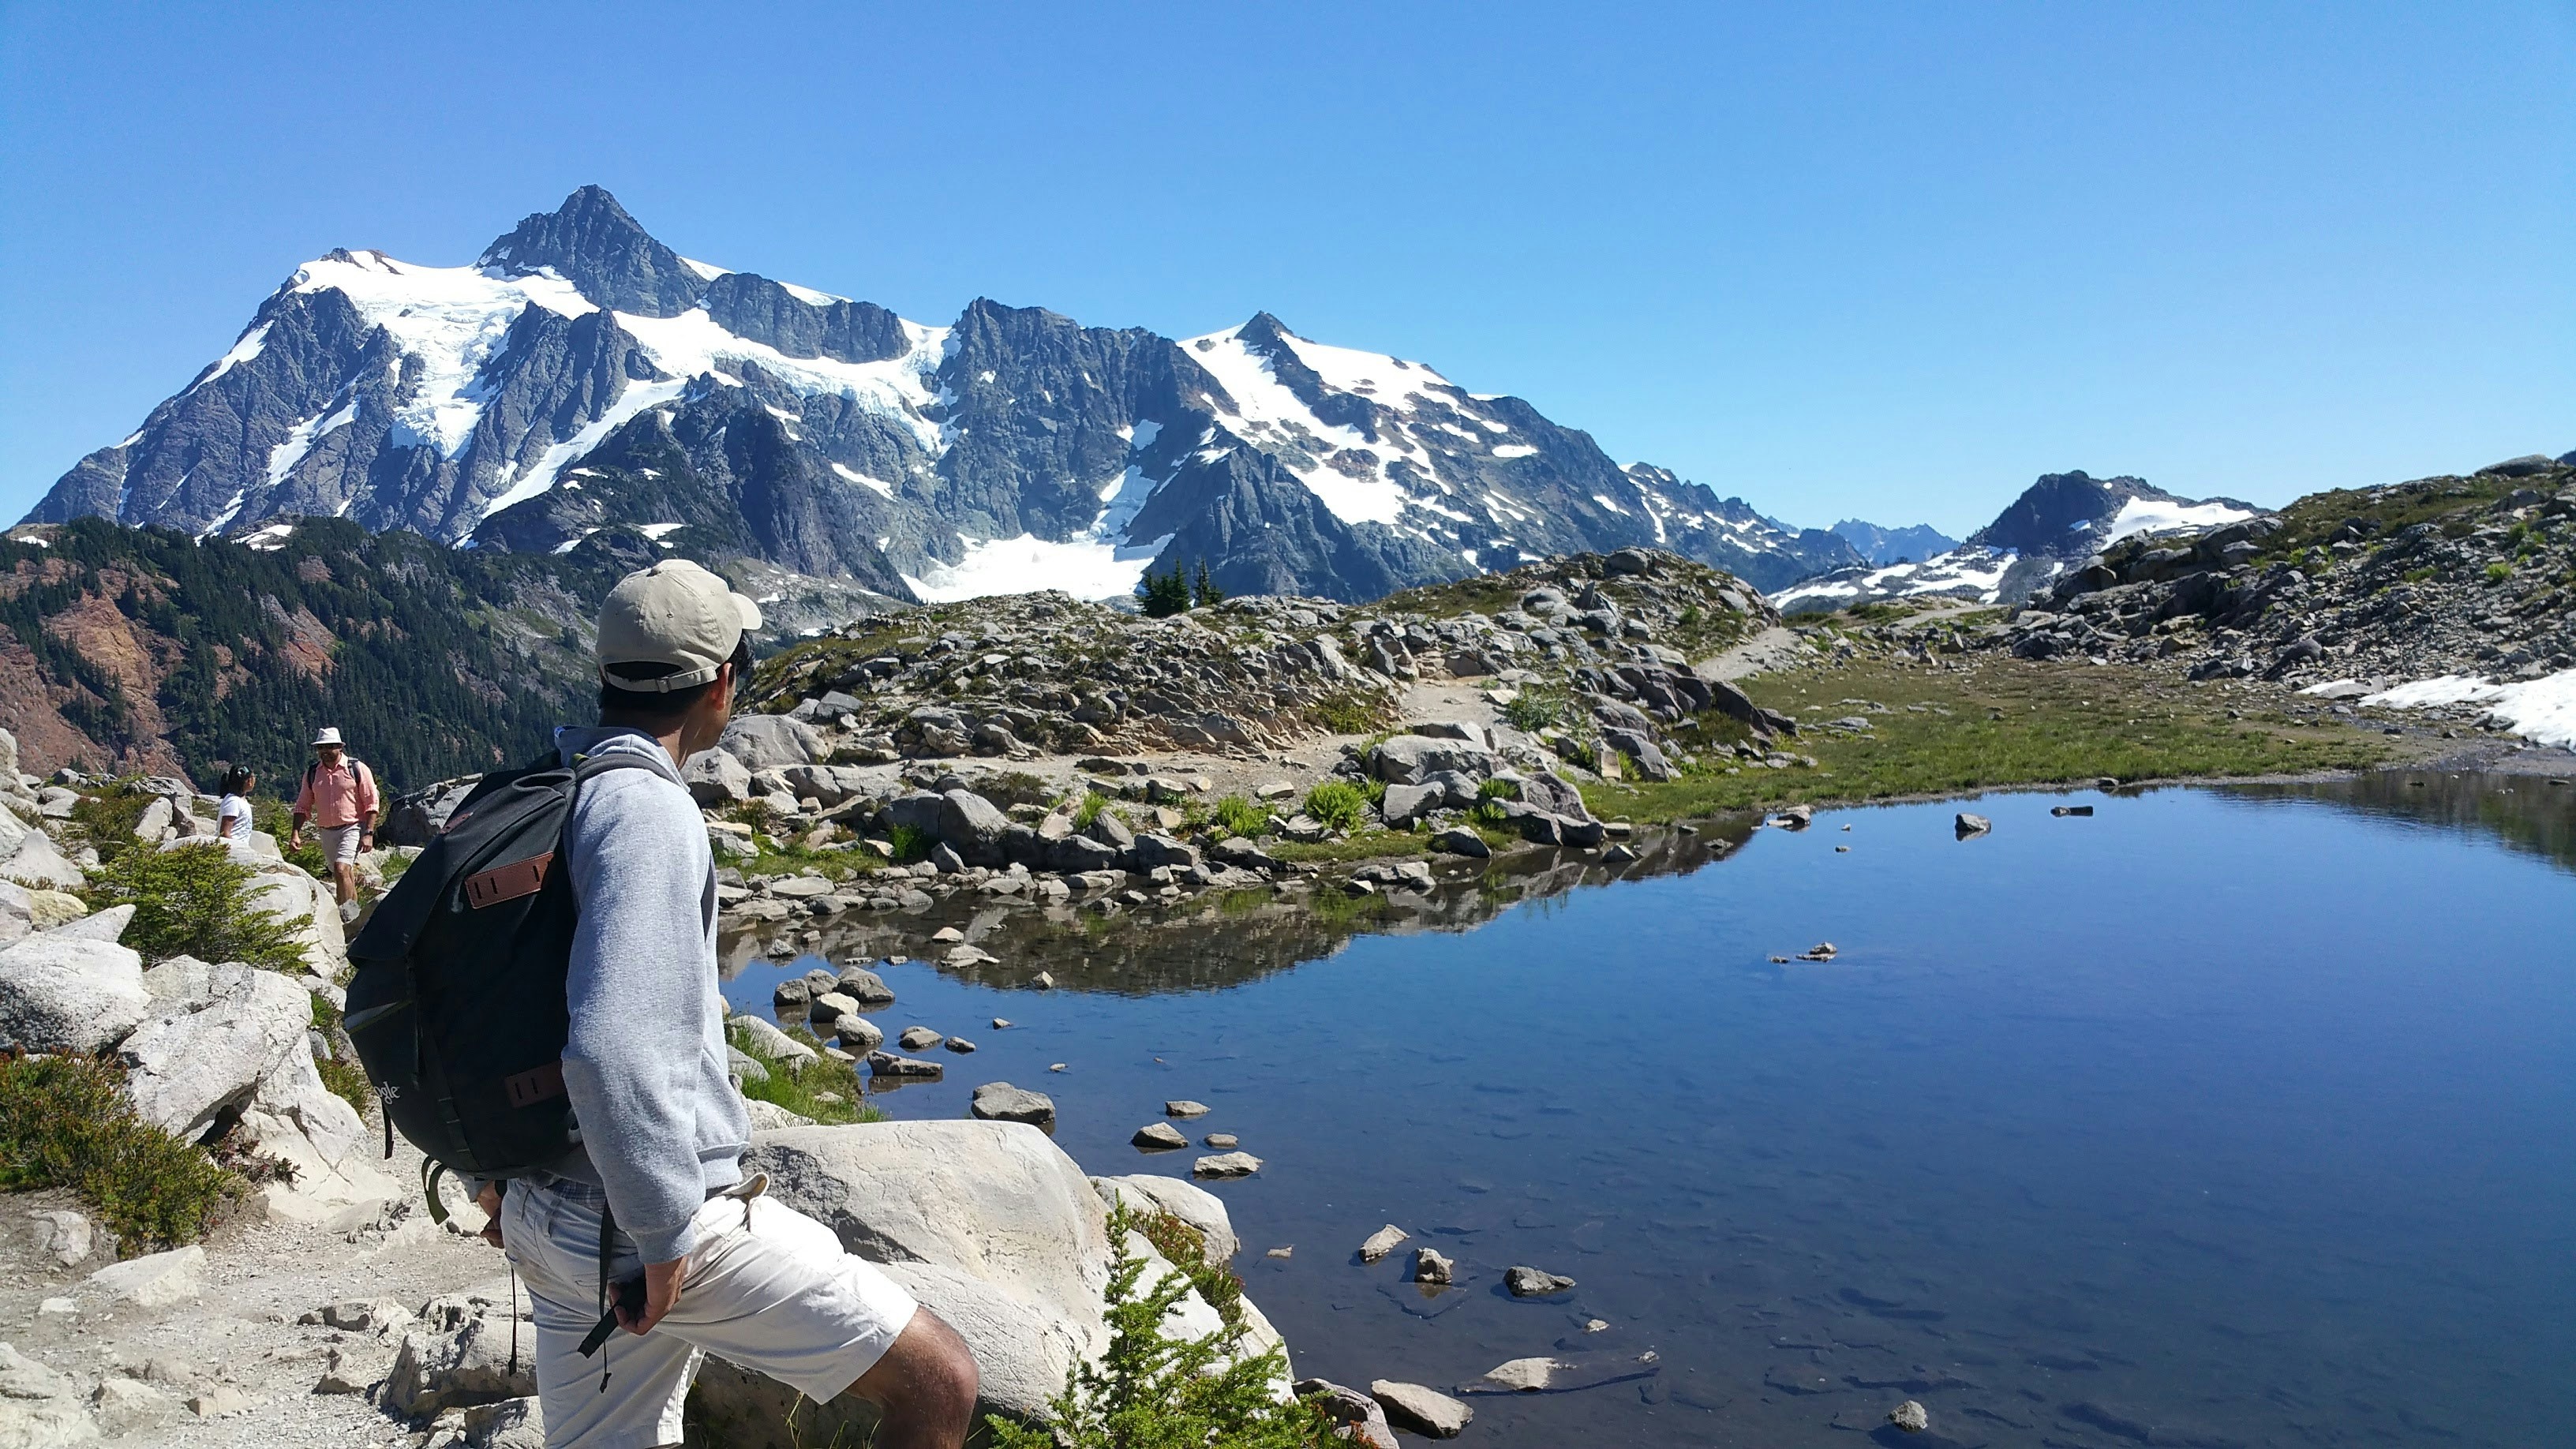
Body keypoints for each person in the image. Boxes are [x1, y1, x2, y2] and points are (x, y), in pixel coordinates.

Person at [474, 558, 979, 1449]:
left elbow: (472, 999)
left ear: (606, 676)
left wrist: (494, 1173)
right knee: (939, 1382)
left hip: (544, 1207)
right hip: (644, 1226)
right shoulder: (648, 811)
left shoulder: (554, 787)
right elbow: (609, 1051)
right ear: (721, 682)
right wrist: (663, 1233)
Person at [290, 728, 378, 923]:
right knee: (343, 872)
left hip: (353, 826)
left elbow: (372, 802)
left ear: (340, 747)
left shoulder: (356, 769)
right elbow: (303, 805)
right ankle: (357, 917)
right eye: (321, 748)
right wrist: (296, 833)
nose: (325, 752)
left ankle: (345, 919)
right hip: (326, 831)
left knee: (340, 869)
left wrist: (369, 833)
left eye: (330, 747)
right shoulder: (313, 773)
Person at [215, 766, 255, 843]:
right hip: (232, 848)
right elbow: (225, 833)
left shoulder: (239, 800)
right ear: (249, 781)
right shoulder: (233, 801)